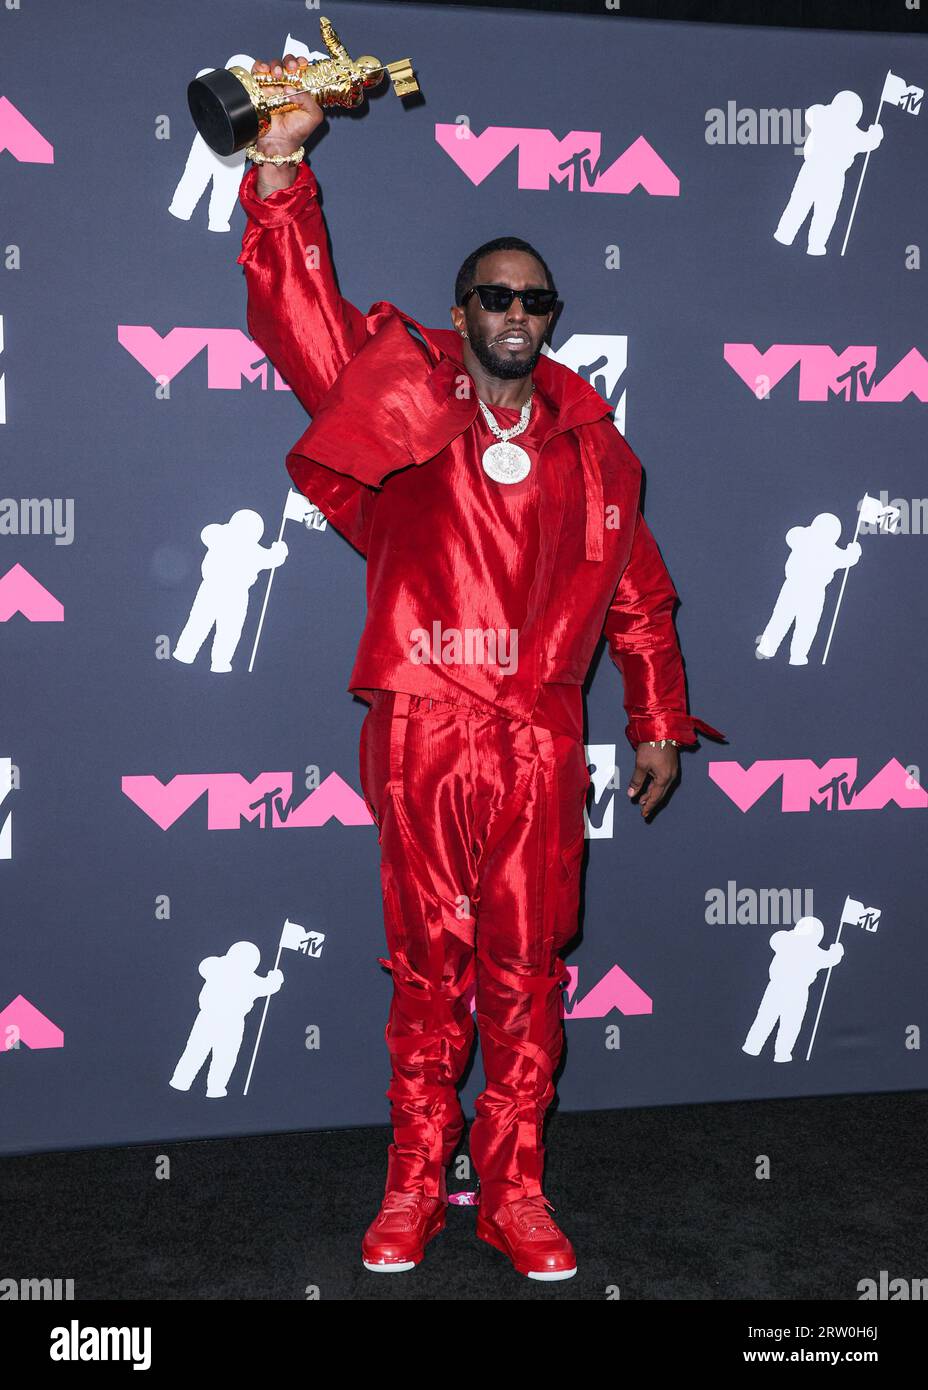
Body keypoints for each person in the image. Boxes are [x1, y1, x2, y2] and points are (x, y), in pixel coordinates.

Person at [236, 56, 725, 1281]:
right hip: (423, 723)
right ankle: (413, 1184)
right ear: (461, 311)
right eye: (493, 295)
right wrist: (282, 168)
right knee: (425, 970)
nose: (515, 313)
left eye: (535, 300)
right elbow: (302, 320)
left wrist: (656, 718)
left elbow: (639, 595)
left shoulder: (599, 454)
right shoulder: (403, 397)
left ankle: (512, 1190)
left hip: (540, 737)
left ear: (553, 318)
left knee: (523, 969)